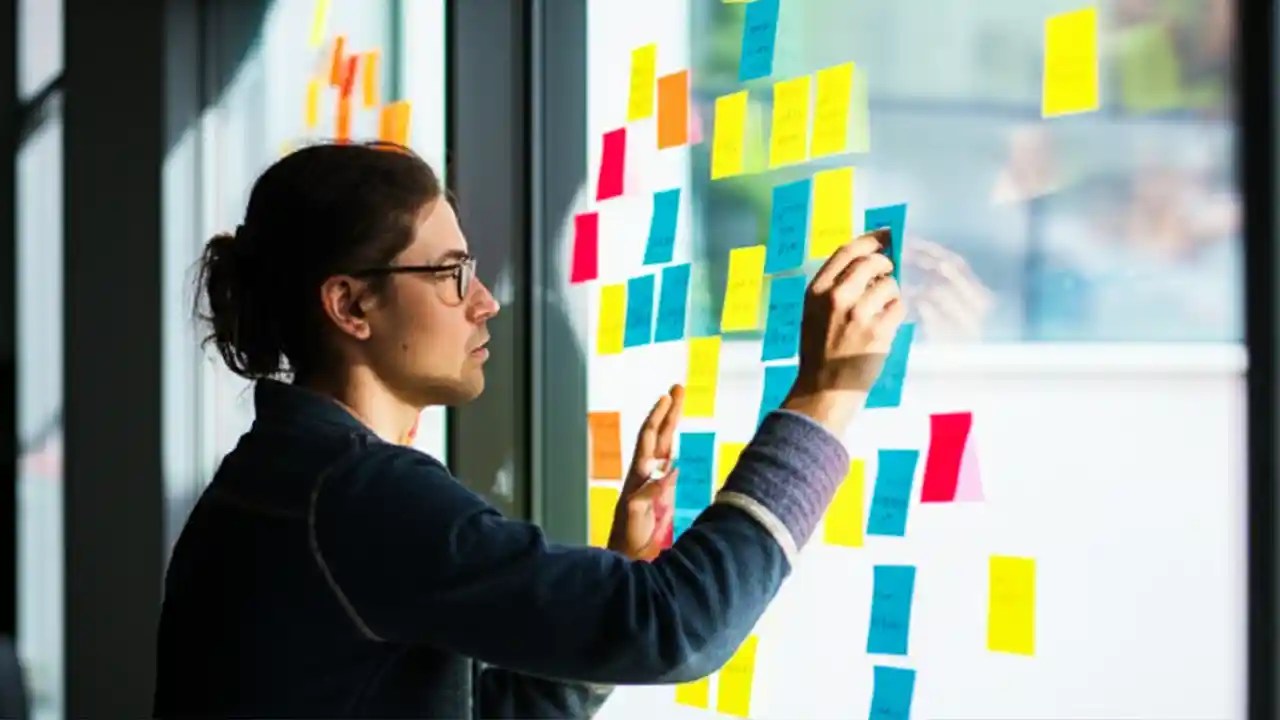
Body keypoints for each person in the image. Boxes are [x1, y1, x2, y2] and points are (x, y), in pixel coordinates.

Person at [153, 141, 904, 718]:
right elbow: (681, 625)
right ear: (350, 306)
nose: (484, 302)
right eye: (450, 274)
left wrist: (616, 578)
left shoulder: (285, 476)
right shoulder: (355, 493)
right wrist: (824, 398)